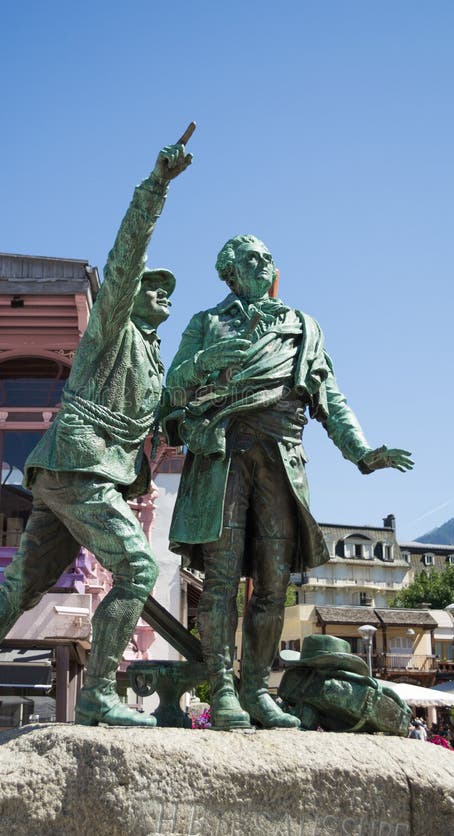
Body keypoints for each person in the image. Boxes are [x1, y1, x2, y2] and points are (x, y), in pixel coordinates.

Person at [0, 138, 192, 737]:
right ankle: (96, 694)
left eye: (170, 289)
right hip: (79, 465)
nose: (163, 293)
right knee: (139, 570)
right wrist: (157, 186)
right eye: (155, 286)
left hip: (77, 474)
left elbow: (162, 426)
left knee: (18, 589)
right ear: (132, 292)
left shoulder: (152, 359)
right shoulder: (113, 327)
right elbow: (125, 255)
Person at [164, 234, 413, 730]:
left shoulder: (302, 327)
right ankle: (224, 689)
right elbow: (173, 387)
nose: (262, 265)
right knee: (219, 582)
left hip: (282, 457)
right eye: (250, 259)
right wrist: (204, 363)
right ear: (230, 272)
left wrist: (361, 450)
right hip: (223, 456)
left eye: (266, 258)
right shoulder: (206, 323)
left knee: (274, 585)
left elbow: (330, 397)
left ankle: (257, 689)